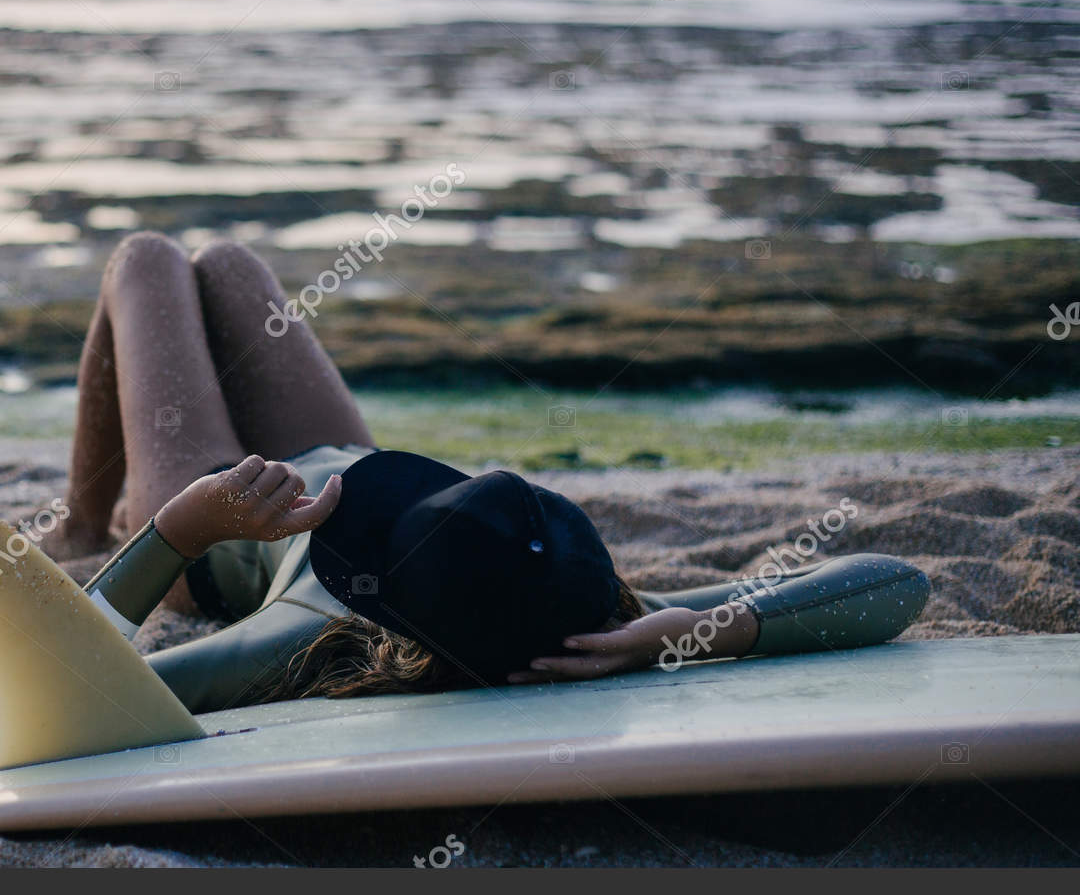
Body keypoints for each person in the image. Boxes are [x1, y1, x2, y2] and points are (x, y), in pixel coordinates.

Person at [50, 232, 929, 715]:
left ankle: (88, 523)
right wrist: (681, 632)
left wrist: (179, 528)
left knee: (150, 260)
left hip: (225, 516)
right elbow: (896, 584)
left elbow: (74, 683)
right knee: (230, 266)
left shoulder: (307, 626)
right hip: (348, 463)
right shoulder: (570, 608)